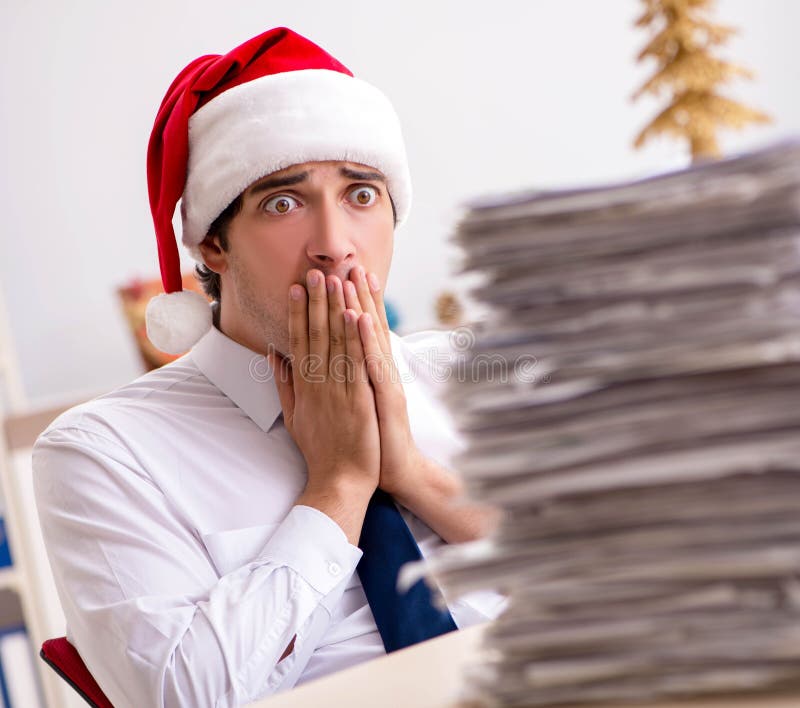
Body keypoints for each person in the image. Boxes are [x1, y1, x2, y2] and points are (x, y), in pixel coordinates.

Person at [33, 27, 504, 708]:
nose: (335, 246)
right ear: (214, 245)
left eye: (362, 194)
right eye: (282, 202)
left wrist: (416, 477)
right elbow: (180, 697)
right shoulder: (104, 451)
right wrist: (339, 486)